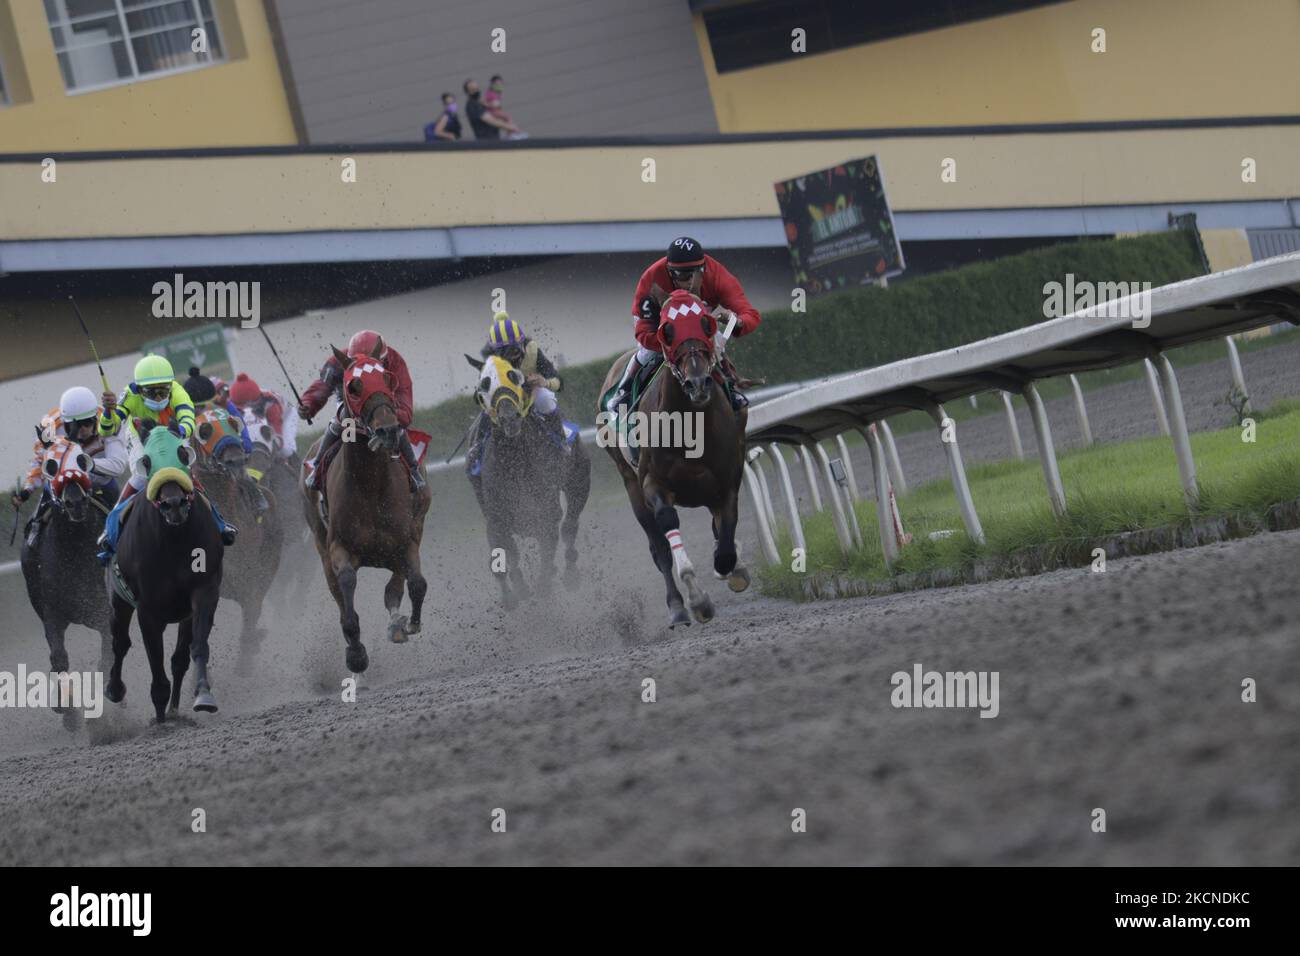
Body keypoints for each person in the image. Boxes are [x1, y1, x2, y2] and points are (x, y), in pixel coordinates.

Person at [96, 354, 238, 560]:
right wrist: (108, 412)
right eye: (151, 393)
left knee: (186, 474)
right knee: (141, 476)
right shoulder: (128, 394)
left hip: (173, 433)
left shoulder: (179, 392)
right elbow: (107, 430)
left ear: (171, 385)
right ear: (139, 389)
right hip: (140, 439)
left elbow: (189, 420)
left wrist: (179, 431)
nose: (158, 398)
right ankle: (110, 531)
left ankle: (220, 524)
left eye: (163, 391)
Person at [605, 236, 761, 413]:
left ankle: (730, 386)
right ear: (670, 272)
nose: (691, 282)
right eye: (683, 276)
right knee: (647, 351)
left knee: (716, 338)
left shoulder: (718, 276)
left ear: (704, 267)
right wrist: (671, 343)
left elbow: (751, 315)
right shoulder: (651, 280)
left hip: (695, 323)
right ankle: (624, 391)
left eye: (696, 273)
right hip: (659, 322)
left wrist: (738, 322)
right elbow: (643, 333)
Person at [298, 330, 425, 491]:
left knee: (394, 426)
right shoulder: (337, 362)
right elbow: (322, 387)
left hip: (382, 403)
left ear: (383, 358)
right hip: (352, 405)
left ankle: (413, 470)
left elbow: (404, 401)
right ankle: (318, 468)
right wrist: (308, 405)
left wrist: (396, 416)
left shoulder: (395, 362)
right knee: (343, 423)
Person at [12, 386, 128, 546]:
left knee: (117, 501)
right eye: (73, 426)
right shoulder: (50, 426)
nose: (80, 431)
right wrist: (27, 491)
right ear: (64, 422)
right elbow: (40, 462)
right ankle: (36, 529)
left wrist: (87, 464)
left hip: (99, 478)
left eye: (86, 424)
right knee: (47, 491)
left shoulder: (111, 421)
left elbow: (118, 465)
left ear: (96, 419)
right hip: (62, 478)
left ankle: (123, 535)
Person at [466, 312, 566, 474]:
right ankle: (477, 450)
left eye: (513, 349)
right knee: (487, 412)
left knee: (546, 399)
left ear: (521, 343)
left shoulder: (533, 350)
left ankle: (560, 441)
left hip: (530, 394)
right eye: (504, 351)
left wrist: (544, 382)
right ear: (495, 351)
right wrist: (482, 394)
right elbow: (479, 396)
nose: (511, 356)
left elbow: (559, 382)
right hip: (506, 401)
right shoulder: (490, 362)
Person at [183, 366, 253, 455]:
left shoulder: (223, 402)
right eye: (199, 407)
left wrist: (245, 438)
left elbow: (238, 418)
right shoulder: (184, 410)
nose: (206, 407)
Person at [229, 372, 297, 458]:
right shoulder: (230, 405)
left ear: (257, 400)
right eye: (243, 407)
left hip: (285, 414)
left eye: (249, 405)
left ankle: (296, 466)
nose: (247, 409)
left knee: (285, 450)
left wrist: (275, 444)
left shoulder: (270, 403)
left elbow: (276, 429)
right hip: (264, 415)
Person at [483, 75, 527, 140]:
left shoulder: (496, 93)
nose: (500, 86)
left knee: (507, 119)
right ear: (492, 84)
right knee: (507, 118)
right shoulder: (490, 93)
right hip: (492, 112)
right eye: (497, 84)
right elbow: (484, 102)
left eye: (501, 84)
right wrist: (492, 105)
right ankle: (514, 133)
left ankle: (512, 134)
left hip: (496, 111)